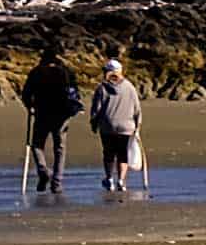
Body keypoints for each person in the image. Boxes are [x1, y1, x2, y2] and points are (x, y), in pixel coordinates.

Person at [18, 46, 80, 198]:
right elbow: (75, 92)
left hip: (42, 113)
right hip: (62, 114)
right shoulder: (65, 72)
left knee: (37, 145)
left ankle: (43, 170)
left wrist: (29, 107)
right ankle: (57, 182)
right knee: (60, 148)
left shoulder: (36, 73)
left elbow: (26, 94)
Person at [89, 56, 146, 196]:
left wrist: (94, 123)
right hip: (126, 127)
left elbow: (96, 109)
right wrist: (137, 126)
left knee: (108, 153)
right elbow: (137, 108)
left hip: (108, 126)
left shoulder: (102, 88)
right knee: (122, 154)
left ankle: (109, 178)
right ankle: (121, 180)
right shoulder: (130, 87)